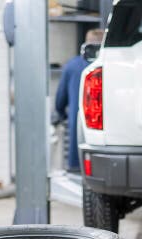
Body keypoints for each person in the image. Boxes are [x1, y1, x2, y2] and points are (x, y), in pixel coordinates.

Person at [56, 29, 104, 173]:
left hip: (76, 124)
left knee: (77, 169)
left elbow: (60, 97)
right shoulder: (107, 65)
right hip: (102, 127)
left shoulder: (72, 65)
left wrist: (60, 113)